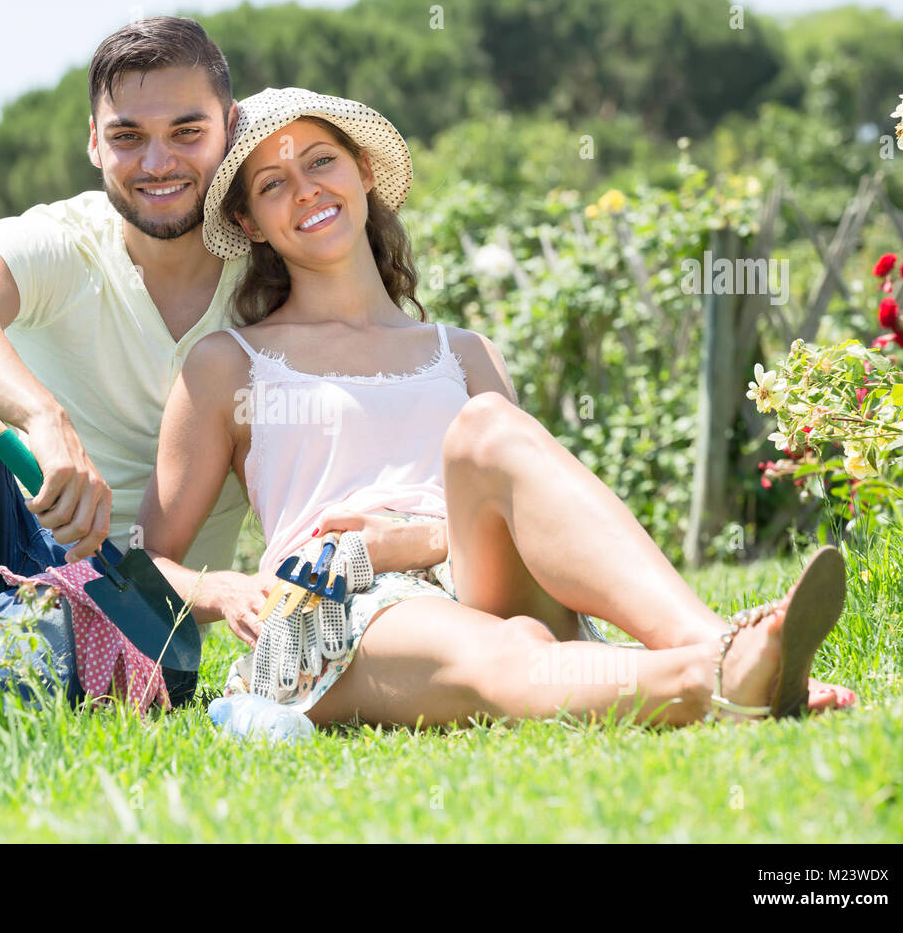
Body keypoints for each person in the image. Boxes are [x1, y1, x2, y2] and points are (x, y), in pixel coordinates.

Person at [134, 86, 858, 727]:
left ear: (362, 173)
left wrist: (416, 541)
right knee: (513, 648)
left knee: (488, 428)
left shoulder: (464, 351)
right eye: (272, 183)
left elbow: (516, 509)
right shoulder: (231, 362)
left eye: (321, 161)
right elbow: (147, 563)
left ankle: (717, 643)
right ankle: (721, 678)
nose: (305, 190)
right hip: (339, 603)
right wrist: (223, 587)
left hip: (468, 569)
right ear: (253, 222)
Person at [0, 17, 279, 704]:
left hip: (141, 603)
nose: (158, 163)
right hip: (9, 541)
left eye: (187, 132)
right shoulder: (64, 241)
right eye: (128, 136)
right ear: (95, 143)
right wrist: (40, 415)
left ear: (230, 126)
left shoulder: (272, 286)